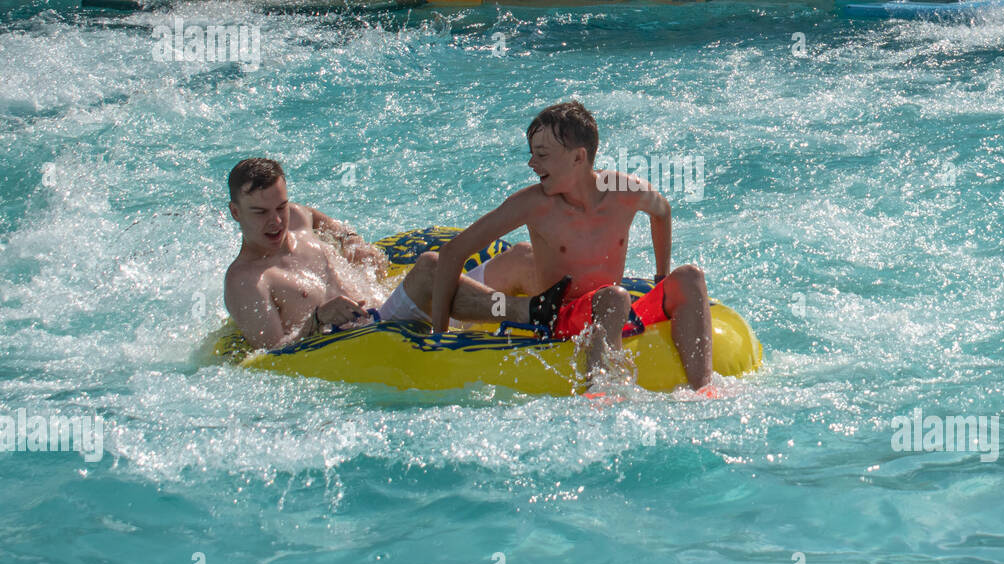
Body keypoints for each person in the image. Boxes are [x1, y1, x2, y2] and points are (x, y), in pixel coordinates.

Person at [426, 102, 715, 390]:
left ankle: (704, 390)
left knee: (690, 277)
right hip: (560, 317)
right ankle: (599, 393)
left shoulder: (624, 191)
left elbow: (662, 212)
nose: (532, 164)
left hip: (613, 308)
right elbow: (453, 252)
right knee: (613, 297)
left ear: (578, 157)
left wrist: (661, 278)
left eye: (542, 155)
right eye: (532, 154)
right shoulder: (534, 204)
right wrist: (437, 336)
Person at [222, 158, 566, 350]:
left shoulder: (297, 218)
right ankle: (534, 313)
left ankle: (573, 307)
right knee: (431, 267)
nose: (276, 220)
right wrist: (317, 319)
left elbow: (333, 227)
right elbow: (271, 355)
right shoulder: (248, 281)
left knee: (522, 255)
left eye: (280, 206)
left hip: (393, 306)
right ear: (236, 212)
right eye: (260, 213)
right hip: (368, 338)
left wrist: (353, 241)